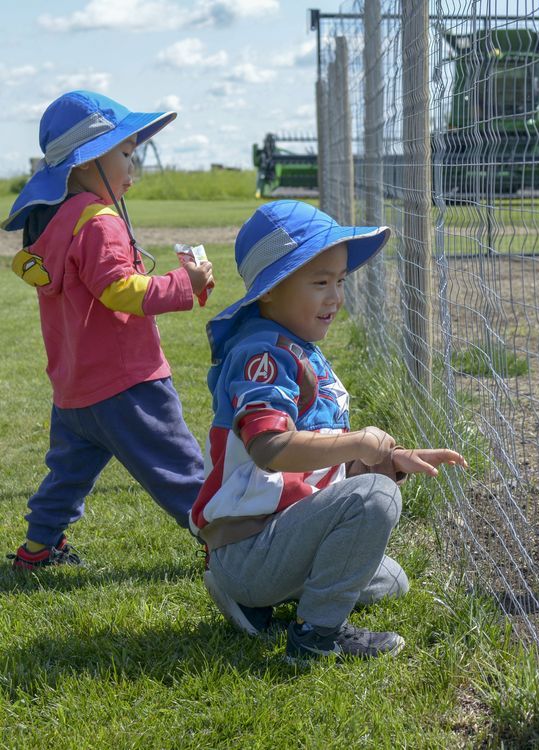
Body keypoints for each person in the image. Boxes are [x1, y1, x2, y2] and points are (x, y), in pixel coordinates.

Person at [192, 200, 466, 662]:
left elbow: (313, 461)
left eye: (339, 281)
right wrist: (359, 442)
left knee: (391, 581)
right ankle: (315, 637)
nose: (335, 297)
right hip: (252, 543)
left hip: (282, 533)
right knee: (377, 498)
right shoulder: (263, 356)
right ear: (271, 290)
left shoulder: (298, 348)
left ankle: (260, 602)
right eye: (319, 282)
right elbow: (270, 449)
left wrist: (387, 458)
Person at [3, 90, 214, 569]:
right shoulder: (98, 223)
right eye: (125, 154)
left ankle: (38, 549)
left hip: (75, 389)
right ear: (87, 161)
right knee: (178, 468)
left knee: (67, 475)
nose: (132, 169)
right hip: (128, 383)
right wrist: (186, 282)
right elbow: (121, 291)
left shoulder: (52, 224)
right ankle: (228, 541)